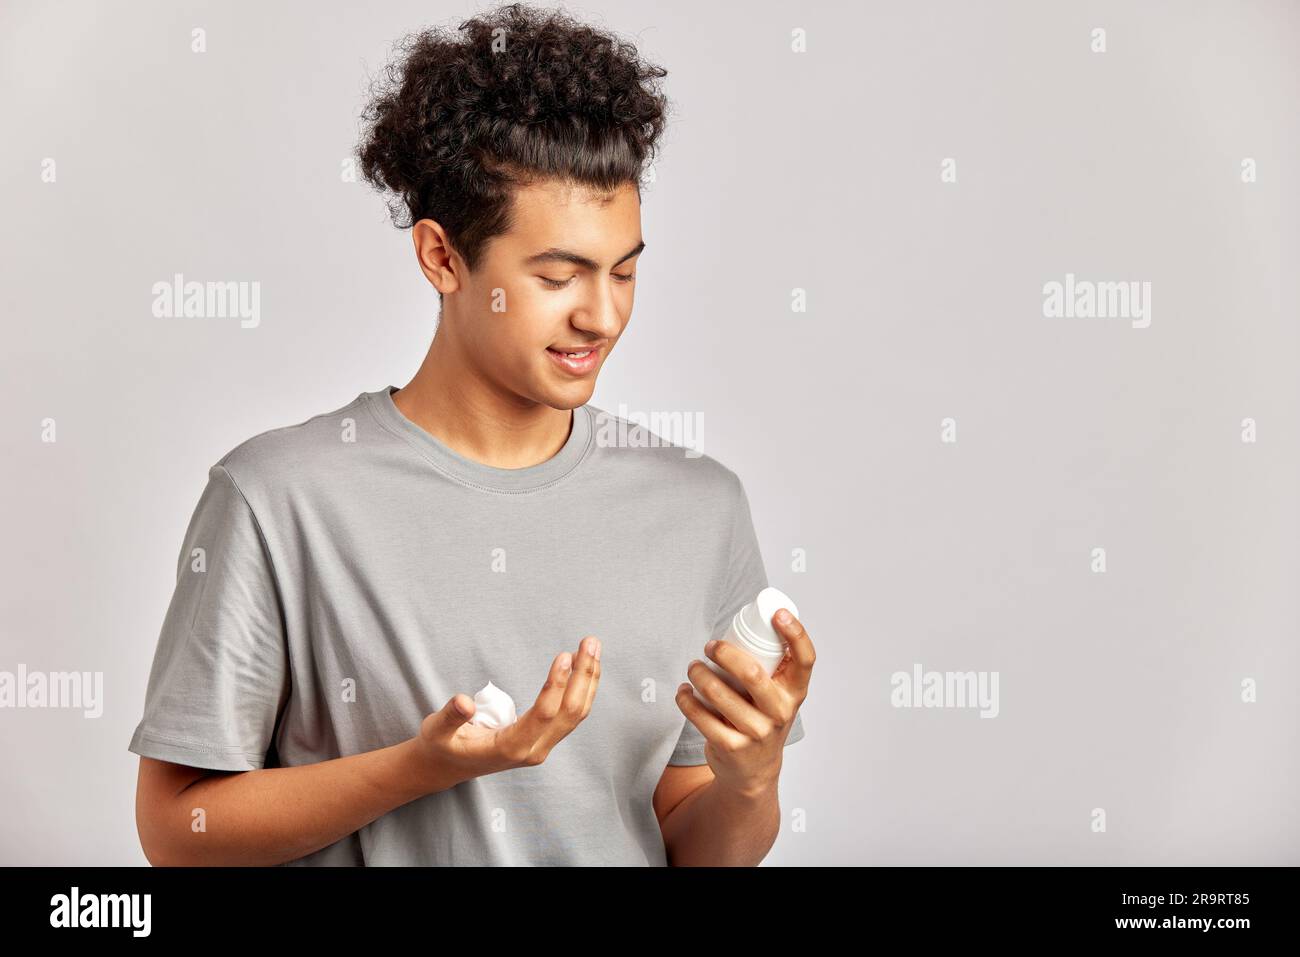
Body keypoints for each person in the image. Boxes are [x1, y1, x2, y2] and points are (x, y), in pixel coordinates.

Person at [129, 2, 814, 866]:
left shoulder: (700, 506)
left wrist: (750, 781)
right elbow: (177, 829)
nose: (601, 314)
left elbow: (688, 840)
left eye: (625, 269)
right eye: (558, 274)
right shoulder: (277, 497)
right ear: (442, 258)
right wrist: (415, 767)